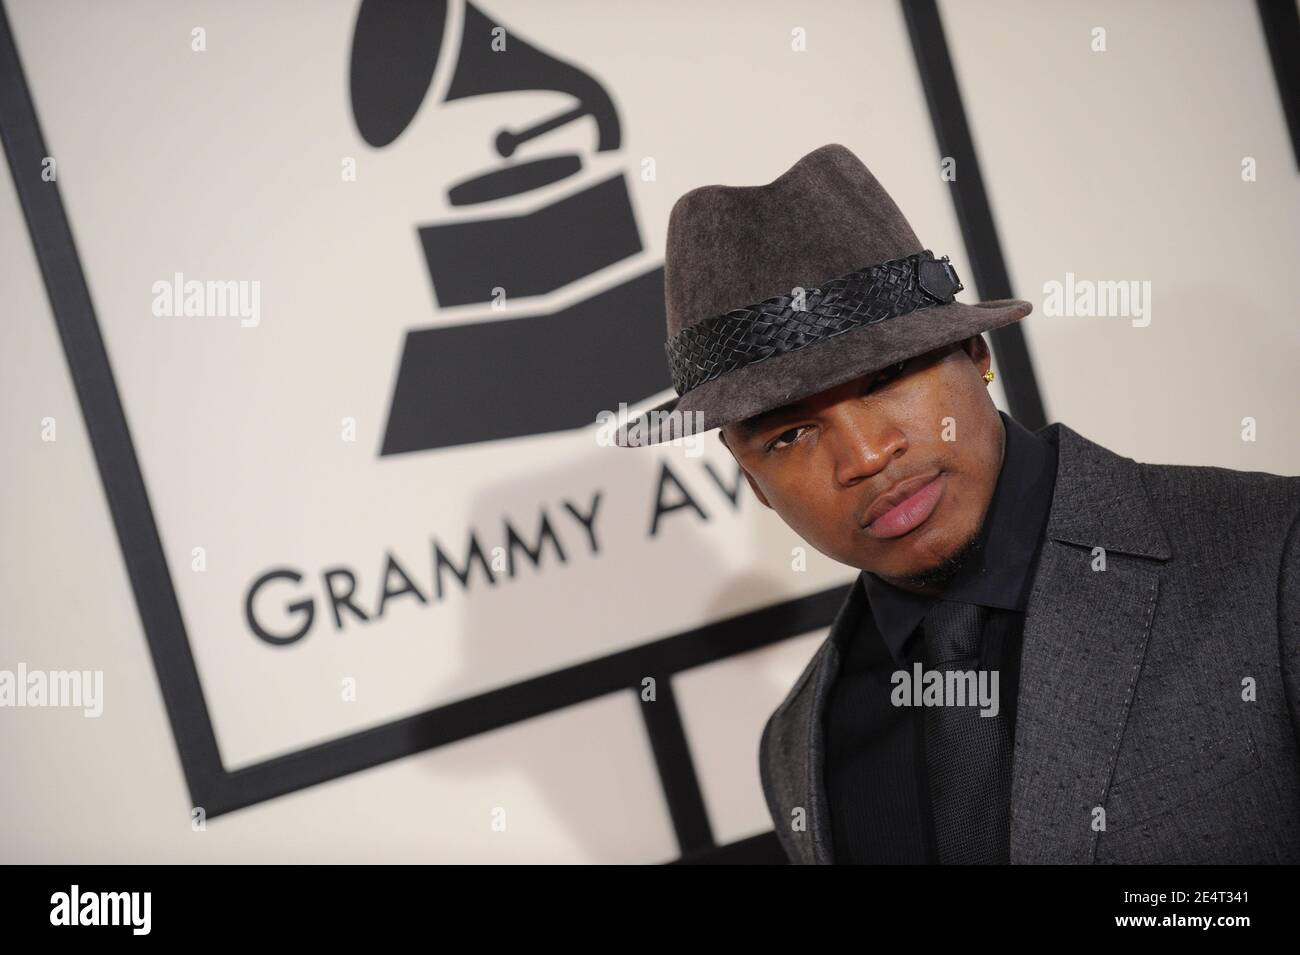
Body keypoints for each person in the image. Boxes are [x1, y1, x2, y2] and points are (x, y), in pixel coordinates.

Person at [612, 143, 1300, 864]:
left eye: (885, 377)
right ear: (753, 482)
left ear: (974, 350)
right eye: (790, 435)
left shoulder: (1270, 558)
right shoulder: (795, 746)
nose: (866, 455)